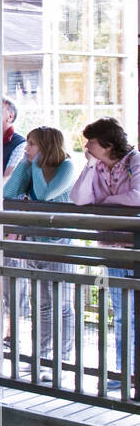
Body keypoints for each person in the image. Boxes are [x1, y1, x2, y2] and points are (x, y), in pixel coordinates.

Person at [69, 118, 140, 385]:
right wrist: (88, 166)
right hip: (111, 247)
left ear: (109, 145)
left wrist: (106, 203)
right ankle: (124, 373)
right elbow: (78, 198)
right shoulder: (96, 166)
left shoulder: (135, 161)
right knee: (122, 315)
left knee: (135, 315)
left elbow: (137, 197)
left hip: (135, 245)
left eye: (92, 142)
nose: (87, 146)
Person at [3, 126, 76, 378]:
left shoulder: (66, 166)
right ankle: (43, 358)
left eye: (32, 144)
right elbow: (8, 193)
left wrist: (35, 164)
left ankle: (63, 362)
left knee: (63, 305)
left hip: (60, 243)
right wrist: (25, 163)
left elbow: (45, 194)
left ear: (45, 146)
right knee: (43, 305)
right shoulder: (30, 165)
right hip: (36, 242)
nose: (27, 147)